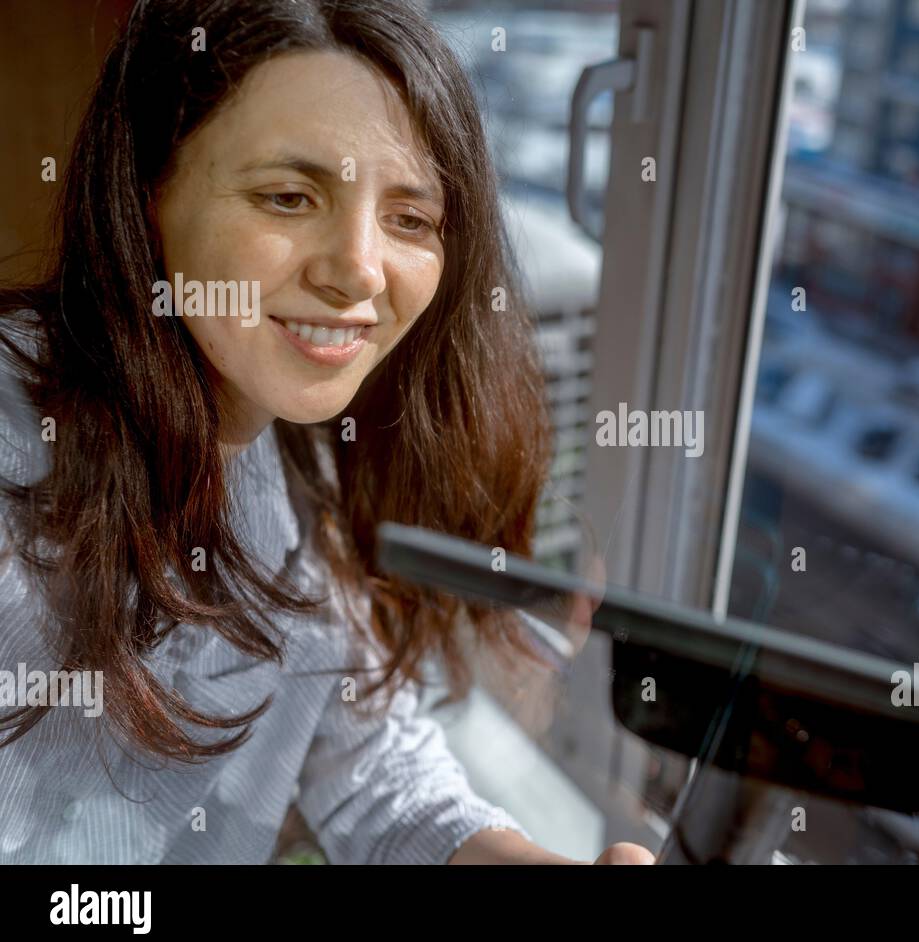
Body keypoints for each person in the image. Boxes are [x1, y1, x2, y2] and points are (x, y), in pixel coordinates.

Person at [0, 0, 653, 865]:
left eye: (411, 220)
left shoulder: (298, 442)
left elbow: (366, 762)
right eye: (287, 196)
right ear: (147, 192)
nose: (358, 270)